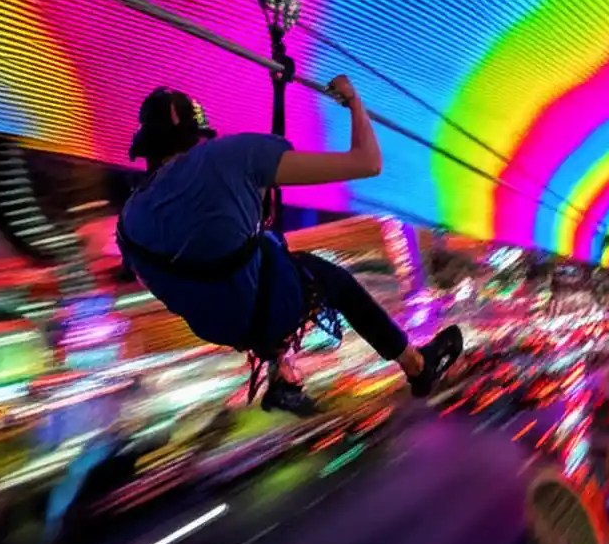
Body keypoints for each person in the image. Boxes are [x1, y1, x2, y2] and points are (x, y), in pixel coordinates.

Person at [117, 75, 463, 416]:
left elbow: (166, 285)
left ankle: (280, 369)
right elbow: (367, 162)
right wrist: (353, 101)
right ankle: (417, 365)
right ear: (197, 134)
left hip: (216, 326)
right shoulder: (231, 156)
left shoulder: (129, 222)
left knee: (262, 257)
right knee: (325, 277)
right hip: (263, 306)